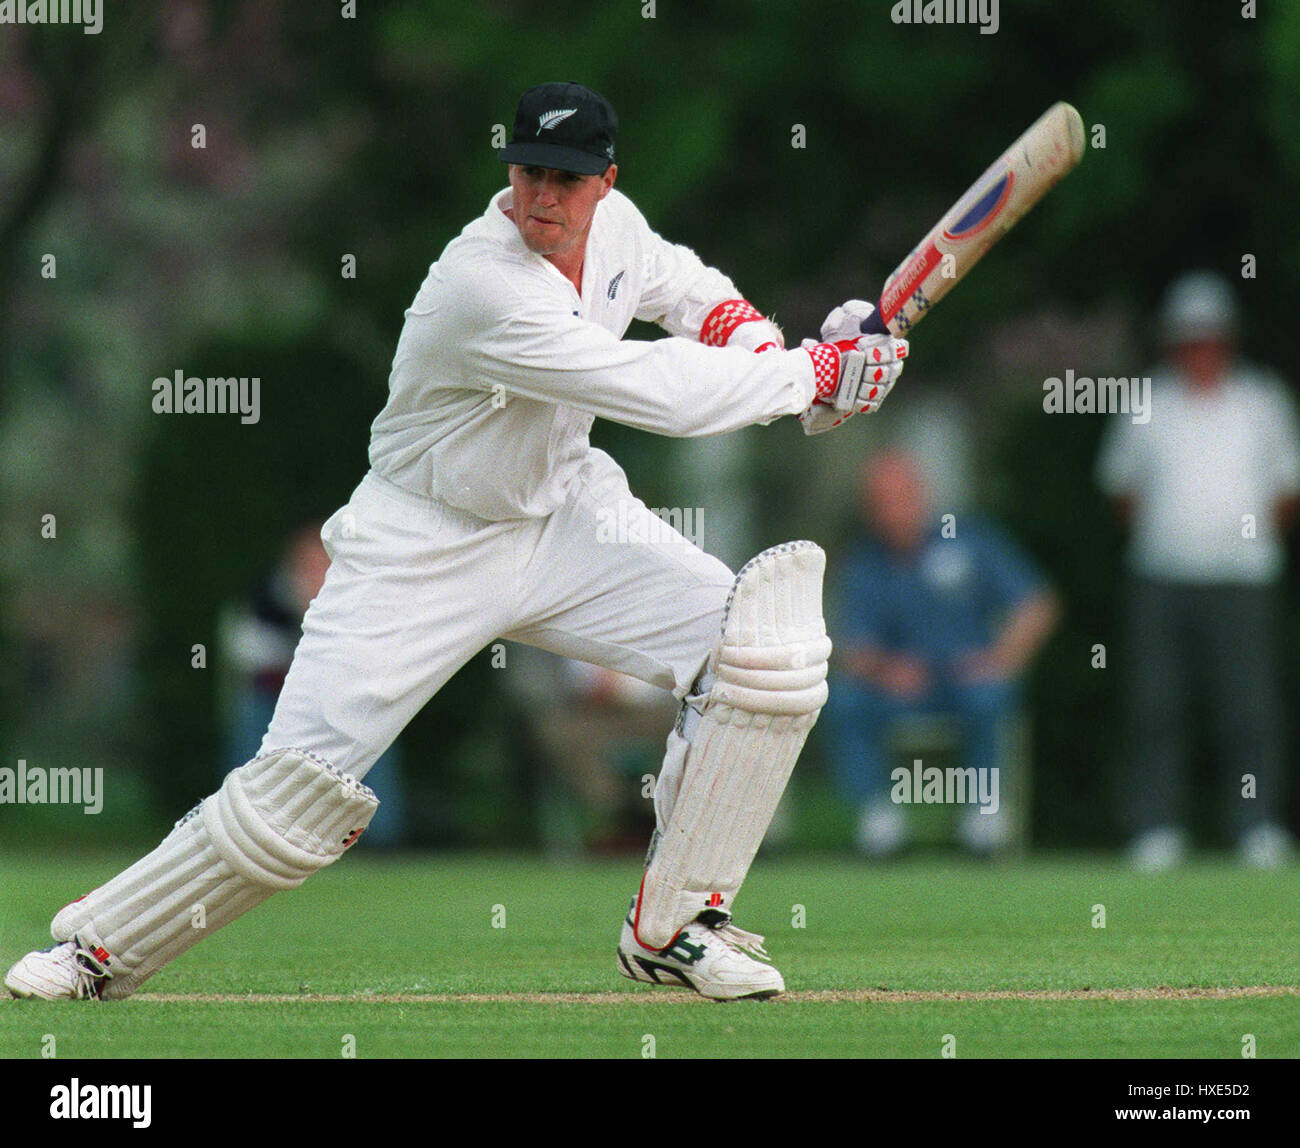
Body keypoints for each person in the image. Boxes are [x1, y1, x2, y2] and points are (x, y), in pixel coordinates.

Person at [5, 82, 908, 1003]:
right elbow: (655, 390)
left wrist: (778, 357)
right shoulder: (482, 283)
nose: (543, 198)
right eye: (529, 173)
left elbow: (692, 296)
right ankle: (95, 950)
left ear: (606, 181)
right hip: (423, 540)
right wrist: (815, 373)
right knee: (294, 802)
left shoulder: (619, 228)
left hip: (566, 518)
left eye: (568, 178)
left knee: (768, 649)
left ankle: (676, 927)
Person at [1096, 271, 1299, 871]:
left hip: (1243, 577)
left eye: (1209, 337)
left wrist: (1243, 536)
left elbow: (1287, 490)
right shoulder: (1148, 403)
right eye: (1190, 338)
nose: (1200, 349)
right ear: (1174, 342)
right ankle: (1156, 828)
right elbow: (1121, 490)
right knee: (1156, 705)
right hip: (1161, 576)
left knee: (1248, 709)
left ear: (1227, 341)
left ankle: (1255, 827)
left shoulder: (1261, 401)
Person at [825, 449, 1058, 856]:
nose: (893, 512)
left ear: (922, 495)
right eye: (881, 503)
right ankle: (877, 817)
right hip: (899, 689)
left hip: (965, 680)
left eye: (901, 498)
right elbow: (851, 648)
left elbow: (1037, 604)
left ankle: (984, 814)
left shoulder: (971, 539)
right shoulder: (863, 563)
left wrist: (1000, 658)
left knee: (989, 694)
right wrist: (885, 670)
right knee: (843, 700)